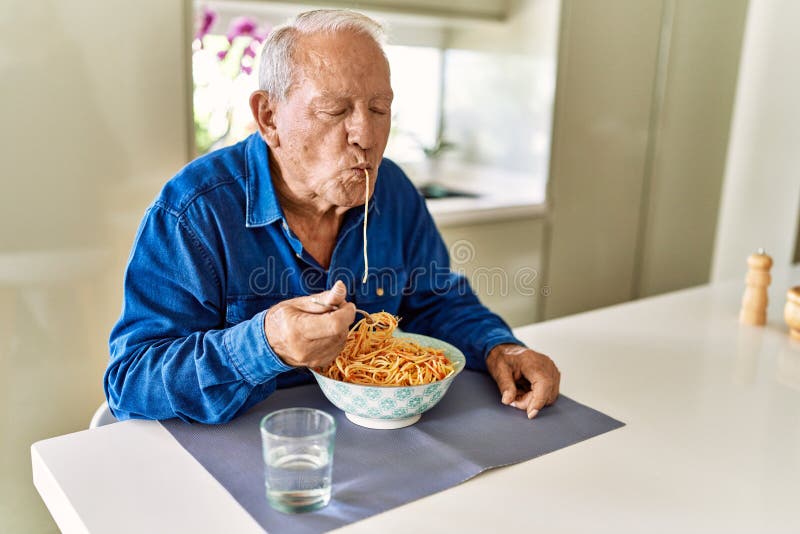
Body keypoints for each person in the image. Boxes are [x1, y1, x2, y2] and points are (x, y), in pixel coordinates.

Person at [105, 9, 560, 424]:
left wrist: (501, 347)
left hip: (384, 444)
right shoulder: (193, 212)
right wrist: (267, 345)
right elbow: (129, 382)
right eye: (334, 110)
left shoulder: (394, 192)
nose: (365, 134)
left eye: (379, 109)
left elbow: (437, 300)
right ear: (269, 117)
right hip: (252, 456)